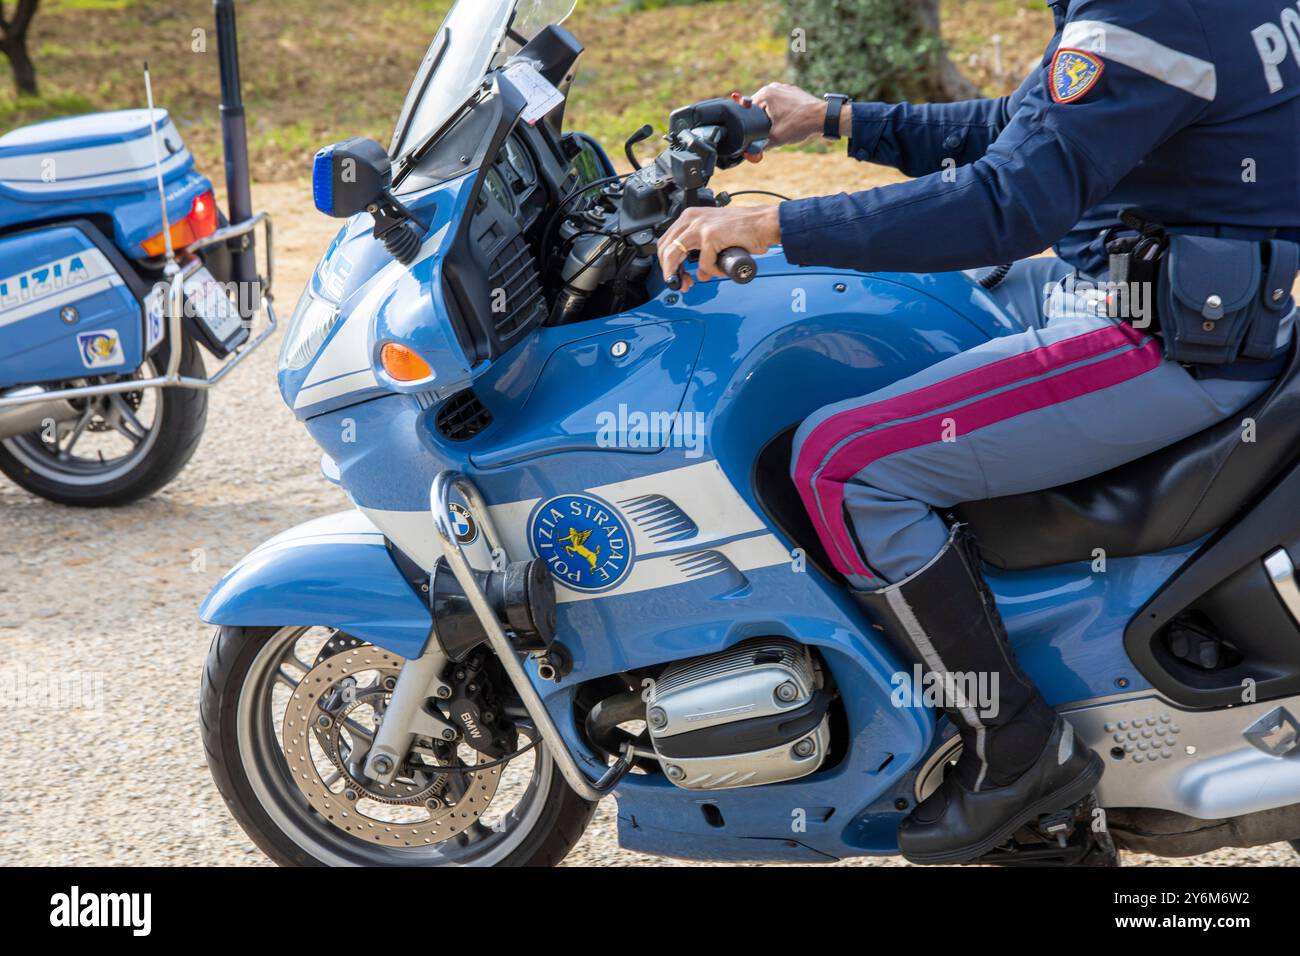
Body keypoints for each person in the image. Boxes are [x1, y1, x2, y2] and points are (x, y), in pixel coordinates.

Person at [656, 0, 1300, 864]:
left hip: (1164, 335)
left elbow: (1008, 201)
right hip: (1141, 285)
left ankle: (1017, 749)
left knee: (842, 465)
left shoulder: (1147, 10)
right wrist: (835, 118)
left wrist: (776, 225)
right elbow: (1029, 128)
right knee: (921, 311)